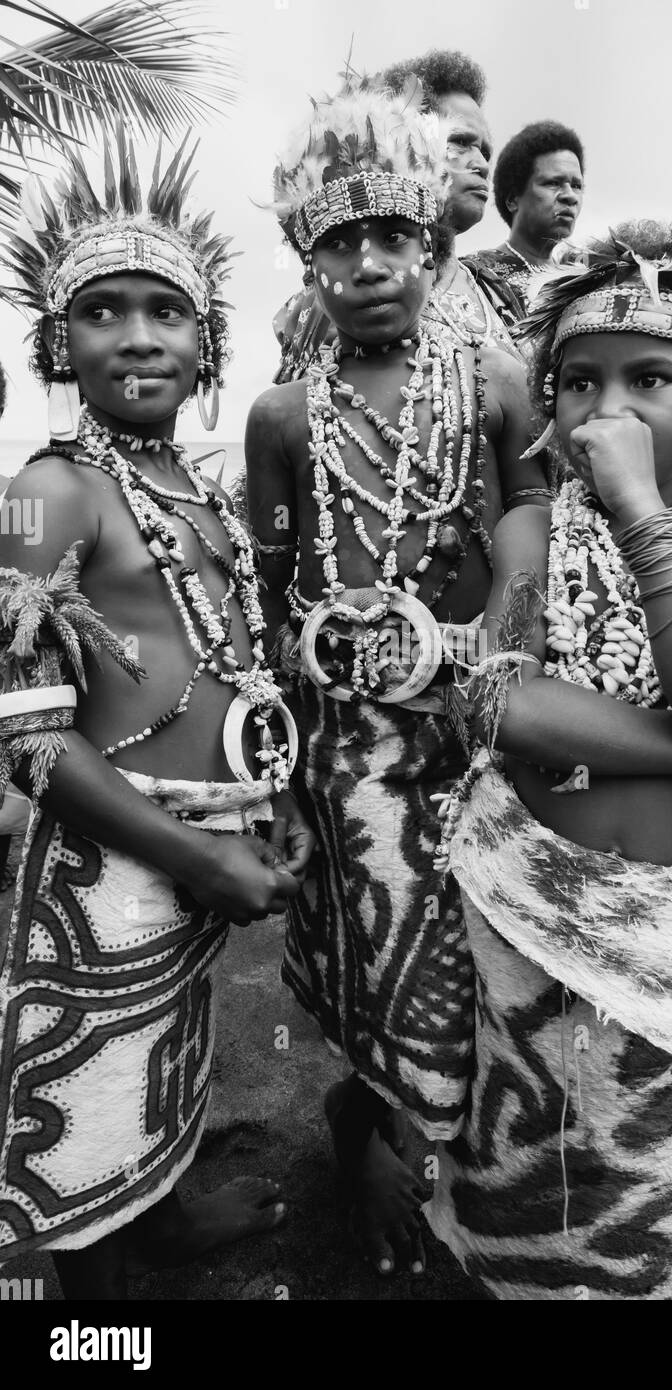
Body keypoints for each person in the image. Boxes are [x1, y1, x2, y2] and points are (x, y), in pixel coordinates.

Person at [425, 194, 672, 1299]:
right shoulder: (521, 533)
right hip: (528, 923)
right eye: (577, 381)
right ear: (547, 402)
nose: (606, 405)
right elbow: (504, 705)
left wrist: (641, 514)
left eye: (646, 380)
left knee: (667, 1193)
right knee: (528, 1177)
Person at [245, 76, 552, 1278]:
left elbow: (528, 509)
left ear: (432, 247)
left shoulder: (492, 379)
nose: (368, 263)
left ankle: (439, 1153)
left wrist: (495, 641)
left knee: (476, 950)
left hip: (471, 722)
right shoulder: (281, 414)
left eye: (392, 238)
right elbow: (272, 591)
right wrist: (318, 648)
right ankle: (370, 1127)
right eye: (338, 243)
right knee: (379, 951)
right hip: (349, 743)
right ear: (309, 263)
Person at [0, 128, 314, 1299]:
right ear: (58, 341)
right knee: (94, 1086)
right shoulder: (49, 490)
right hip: (111, 859)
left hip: (207, 831)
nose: (138, 338)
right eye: (103, 313)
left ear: (205, 342)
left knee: (169, 1055)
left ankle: (165, 1214)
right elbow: (27, 736)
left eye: (166, 314)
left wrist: (256, 816)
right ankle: (101, 1292)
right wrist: (191, 853)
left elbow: (230, 661)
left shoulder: (203, 490)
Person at [270, 51, 521, 387]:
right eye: (461, 142)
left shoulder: (498, 291)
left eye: (485, 150)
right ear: (405, 145)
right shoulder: (335, 305)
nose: (482, 164)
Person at [469, 120, 585, 315]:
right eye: (553, 183)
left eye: (576, 186)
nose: (570, 196)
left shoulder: (581, 278)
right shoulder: (475, 275)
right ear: (513, 200)